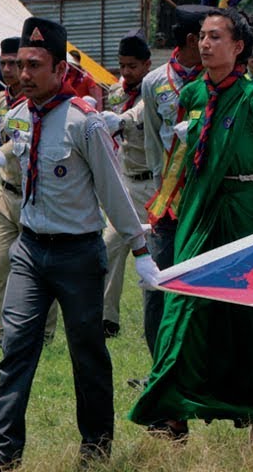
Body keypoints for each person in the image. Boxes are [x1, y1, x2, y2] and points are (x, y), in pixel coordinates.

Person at [0, 17, 158, 471]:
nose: (24, 74)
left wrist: (141, 248)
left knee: (87, 353)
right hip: (30, 250)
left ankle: (96, 449)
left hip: (77, 253)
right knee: (16, 349)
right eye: (20, 65)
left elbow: (114, 190)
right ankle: (4, 453)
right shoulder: (19, 117)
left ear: (59, 69)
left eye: (35, 65)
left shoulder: (84, 125)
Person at [129, 8, 253, 439]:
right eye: (202, 36)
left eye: (216, 37)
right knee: (182, 308)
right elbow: (179, 166)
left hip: (243, 211)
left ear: (238, 47)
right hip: (197, 211)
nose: (205, 44)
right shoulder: (191, 96)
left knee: (247, 314)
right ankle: (170, 413)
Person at [0, 37, 59, 353]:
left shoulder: (41, 100)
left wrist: (4, 151)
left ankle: (45, 334)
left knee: (42, 269)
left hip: (36, 193)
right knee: (1, 267)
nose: (9, 70)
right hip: (6, 193)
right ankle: (1, 333)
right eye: (4, 63)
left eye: (16, 63)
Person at [138, 5, 208, 373]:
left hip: (206, 203)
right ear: (192, 40)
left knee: (202, 289)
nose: (212, 43)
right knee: (157, 288)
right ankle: (160, 367)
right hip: (168, 205)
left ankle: (198, 366)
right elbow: (153, 142)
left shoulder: (215, 80)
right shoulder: (154, 83)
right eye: (207, 36)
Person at [97, 30, 156, 339]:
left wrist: (121, 121)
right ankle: (107, 319)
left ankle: (162, 322)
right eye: (122, 65)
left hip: (156, 185)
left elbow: (139, 114)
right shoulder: (117, 93)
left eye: (132, 65)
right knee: (109, 248)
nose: (126, 72)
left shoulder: (158, 89)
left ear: (147, 65)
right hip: (125, 182)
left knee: (157, 256)